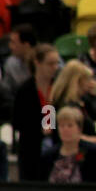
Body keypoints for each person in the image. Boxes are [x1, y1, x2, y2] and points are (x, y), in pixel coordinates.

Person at [11, 42, 61, 181]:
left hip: (55, 147)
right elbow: (17, 122)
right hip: (31, 148)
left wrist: (52, 128)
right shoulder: (25, 90)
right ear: (37, 63)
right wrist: (39, 129)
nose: (55, 68)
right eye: (50, 64)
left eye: (56, 63)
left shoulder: (57, 88)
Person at [41, 105, 96, 183]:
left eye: (70, 125)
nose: (65, 129)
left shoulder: (94, 153)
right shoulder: (49, 155)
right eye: (62, 126)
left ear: (79, 128)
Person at [51, 60, 96, 136]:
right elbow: (67, 136)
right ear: (77, 81)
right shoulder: (65, 106)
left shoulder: (83, 100)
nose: (92, 82)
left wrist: (92, 95)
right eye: (88, 79)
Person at [2, 23, 36, 93]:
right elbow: (5, 92)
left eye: (13, 43)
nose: (10, 46)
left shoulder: (48, 60)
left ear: (26, 45)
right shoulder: (10, 63)